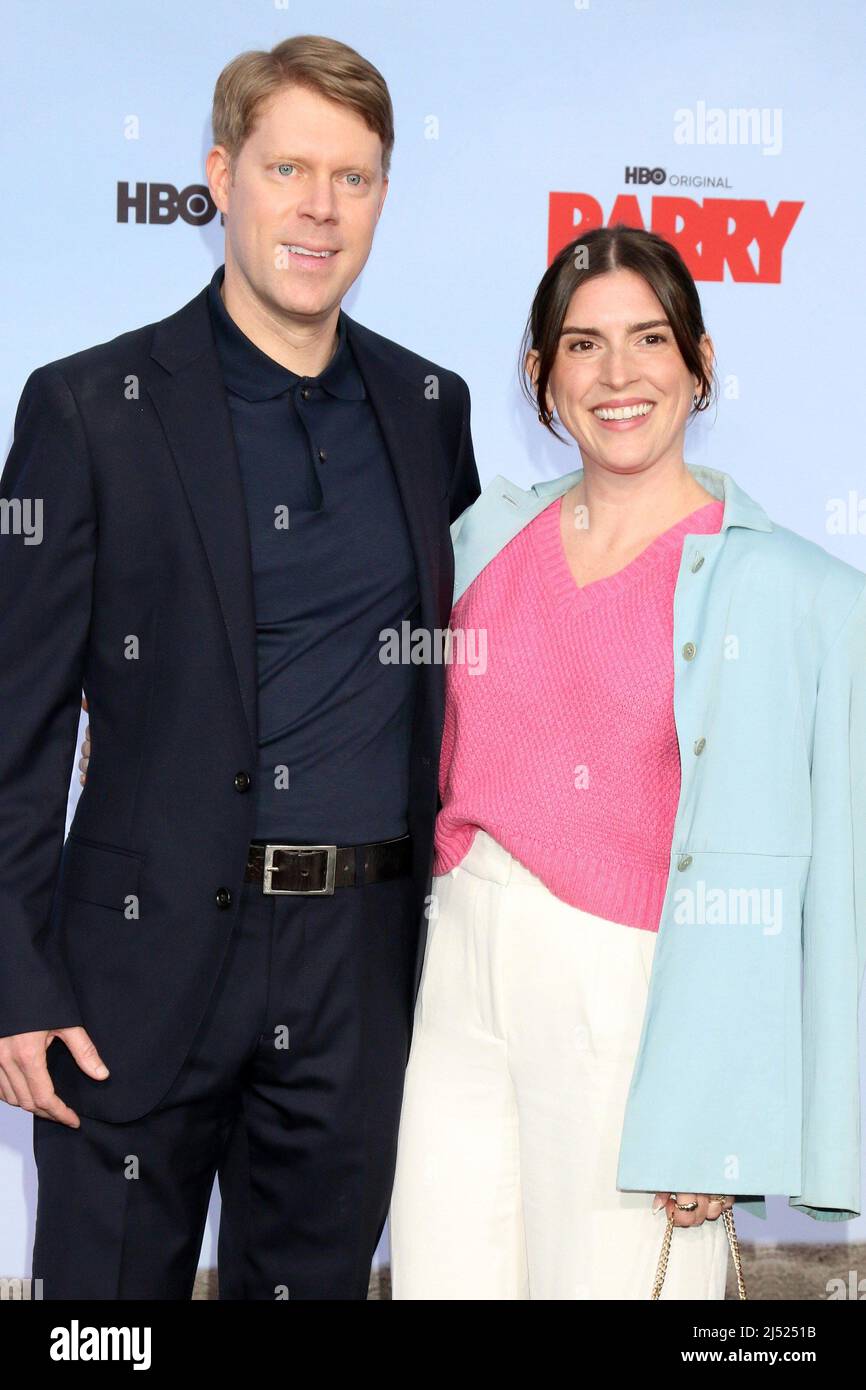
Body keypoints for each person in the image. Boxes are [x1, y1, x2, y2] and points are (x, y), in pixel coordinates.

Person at [0, 34, 478, 1300]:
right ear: (220, 175)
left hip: (356, 972)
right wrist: (13, 979)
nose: (319, 209)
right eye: (288, 169)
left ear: (383, 194)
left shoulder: (431, 408)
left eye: (354, 178)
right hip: (132, 973)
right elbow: (17, 727)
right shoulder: (90, 407)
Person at [387, 225, 866, 1299]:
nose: (617, 375)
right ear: (539, 377)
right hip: (452, 978)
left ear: (698, 361)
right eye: (581, 345)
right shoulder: (474, 545)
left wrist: (725, 1113)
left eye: (649, 339)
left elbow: (829, 903)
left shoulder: (803, 599)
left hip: (636, 1000)